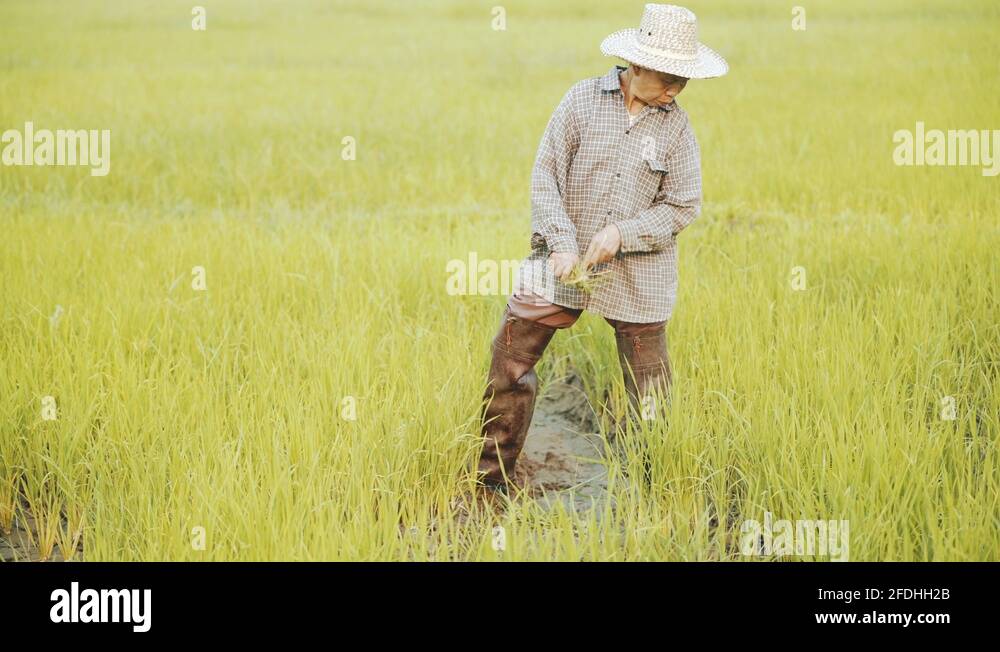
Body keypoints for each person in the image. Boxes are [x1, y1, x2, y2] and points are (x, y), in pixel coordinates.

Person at [475, 4, 729, 504]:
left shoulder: (677, 129)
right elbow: (545, 174)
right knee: (510, 364)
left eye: (685, 78)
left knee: (650, 394)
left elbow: (683, 205)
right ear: (637, 66)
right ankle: (490, 482)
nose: (678, 87)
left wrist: (622, 232)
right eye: (670, 76)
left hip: (640, 275)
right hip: (562, 261)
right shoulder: (580, 101)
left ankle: (656, 491)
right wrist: (562, 242)